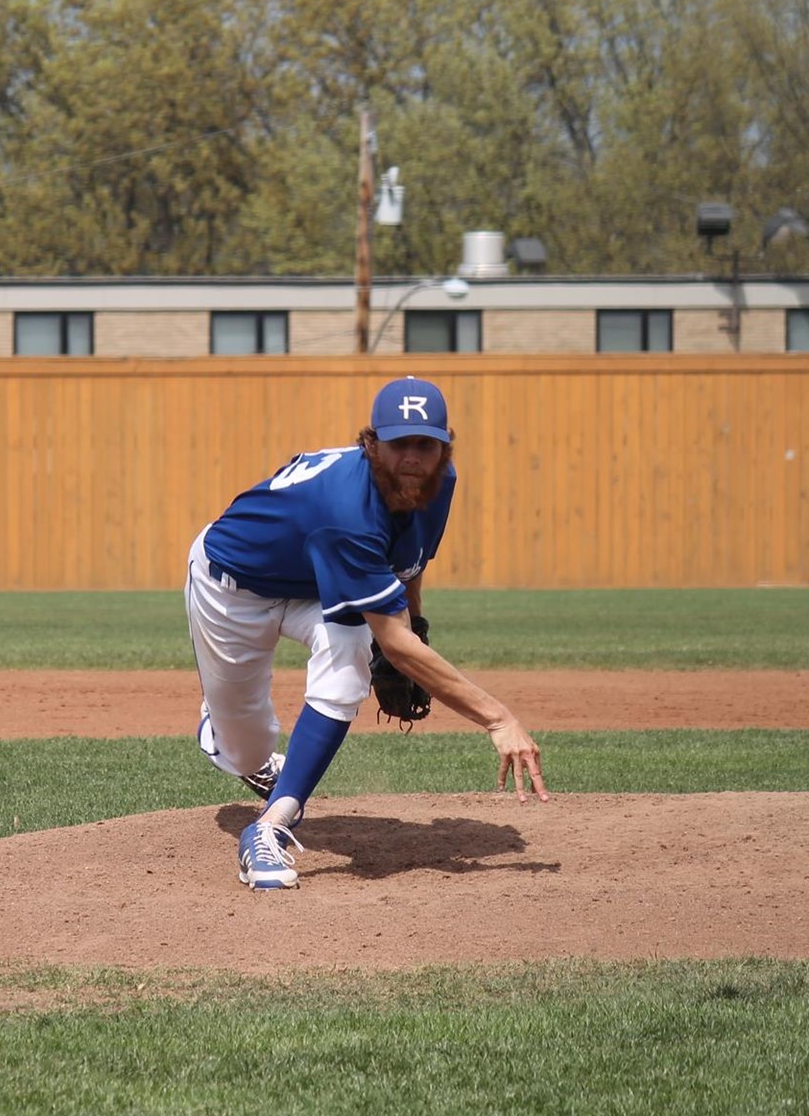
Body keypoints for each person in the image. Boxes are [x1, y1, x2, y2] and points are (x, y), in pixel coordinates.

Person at [186, 376, 549, 890]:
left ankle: (269, 827)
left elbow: (408, 560)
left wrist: (415, 622)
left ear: (445, 446)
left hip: (315, 582)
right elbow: (396, 645)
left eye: (426, 445)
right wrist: (498, 718)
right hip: (233, 590)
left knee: (353, 642)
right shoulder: (345, 513)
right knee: (245, 750)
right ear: (371, 444)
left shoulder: (438, 483)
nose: (412, 458)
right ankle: (224, 736)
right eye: (399, 443)